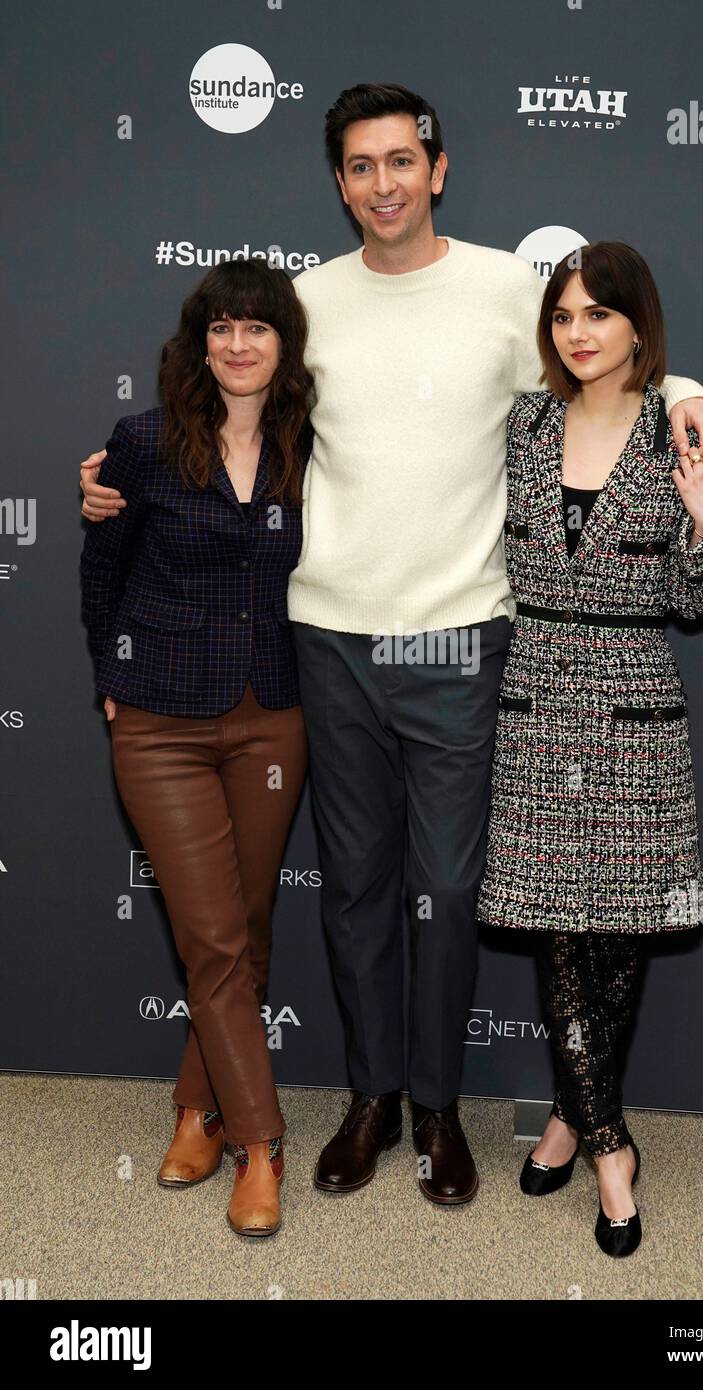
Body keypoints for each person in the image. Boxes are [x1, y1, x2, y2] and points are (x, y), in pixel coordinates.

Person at [79, 82, 703, 1209]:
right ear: (339, 183)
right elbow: (216, 393)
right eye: (359, 166)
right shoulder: (307, 300)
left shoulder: (504, 287)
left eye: (400, 162)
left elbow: (600, 351)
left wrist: (686, 394)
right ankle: (371, 1097)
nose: (382, 183)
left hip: (466, 639)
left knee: (444, 884)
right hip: (327, 636)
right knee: (357, 890)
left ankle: (437, 1106)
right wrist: (116, 484)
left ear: (435, 170)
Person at [475, 241, 703, 1255]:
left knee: (620, 936)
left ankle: (569, 1116)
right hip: (538, 695)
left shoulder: (677, 430)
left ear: (639, 324)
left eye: (598, 314)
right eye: (564, 316)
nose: (578, 332)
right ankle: (611, 1142)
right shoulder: (527, 421)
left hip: (635, 701)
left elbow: (694, 596)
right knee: (555, 928)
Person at [79, 258, 313, 1237]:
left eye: (258, 326)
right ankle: (261, 1143)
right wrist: (110, 680)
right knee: (214, 937)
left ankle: (196, 1106)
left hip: (271, 715)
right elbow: (103, 568)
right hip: (162, 722)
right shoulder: (142, 443)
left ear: (284, 344)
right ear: (198, 340)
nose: (239, 342)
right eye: (221, 325)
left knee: (244, 926)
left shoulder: (315, 444)